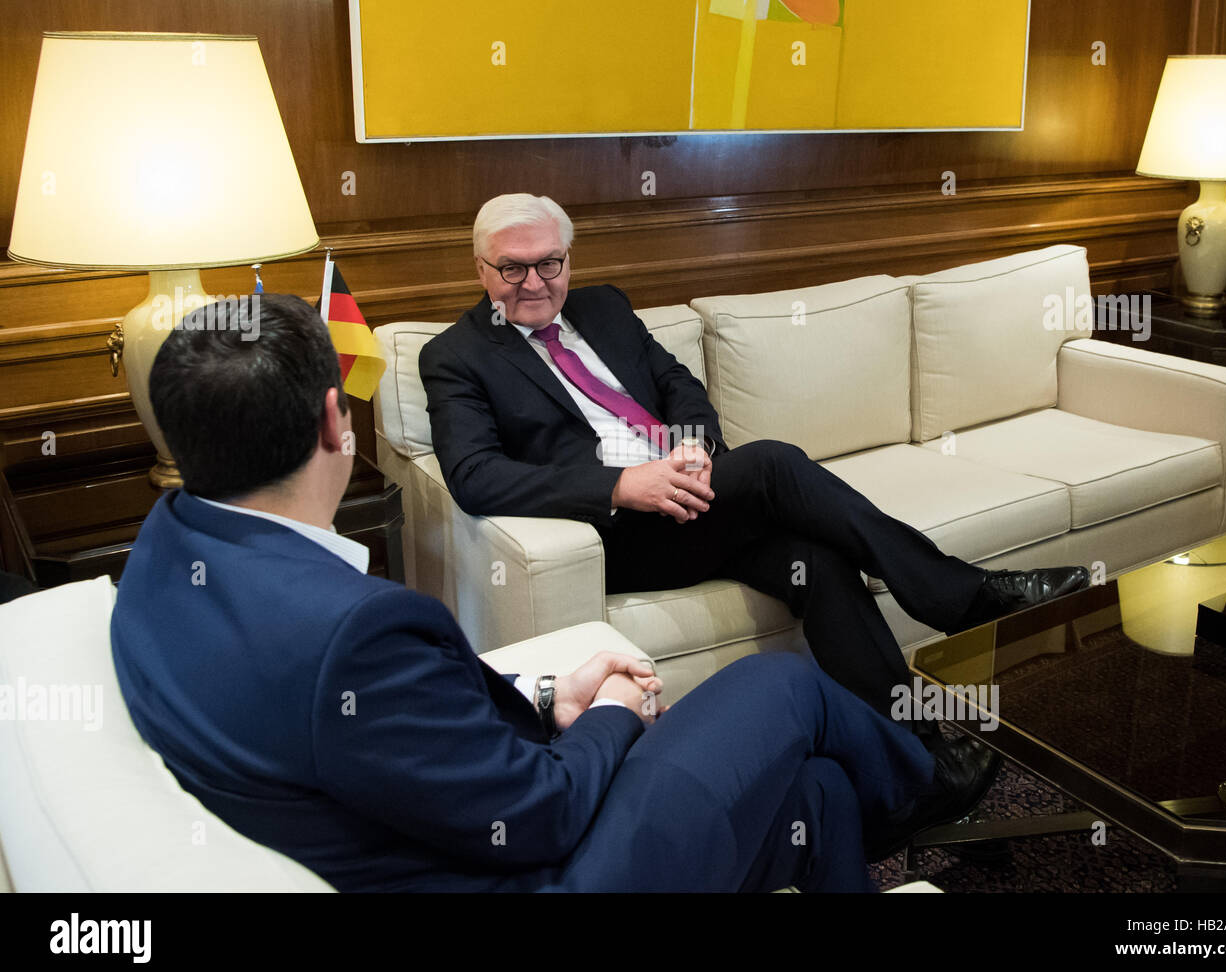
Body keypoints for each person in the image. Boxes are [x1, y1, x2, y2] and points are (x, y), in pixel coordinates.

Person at [109, 293, 997, 892]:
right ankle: (925, 785)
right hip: (552, 868)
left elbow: (397, 740)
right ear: (336, 423)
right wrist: (609, 709)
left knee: (817, 793)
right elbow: (535, 814)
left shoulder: (160, 556)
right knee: (787, 687)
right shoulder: (355, 631)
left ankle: (891, 791)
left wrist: (544, 697)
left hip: (446, 824)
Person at [419, 193, 1090, 755]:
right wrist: (624, 486)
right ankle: (963, 595)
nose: (534, 283)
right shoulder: (456, 356)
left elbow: (676, 383)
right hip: (619, 533)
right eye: (513, 269)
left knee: (819, 562)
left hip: (696, 501)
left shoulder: (604, 308)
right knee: (771, 463)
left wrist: (694, 449)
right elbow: (476, 475)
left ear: (570, 258)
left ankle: (919, 754)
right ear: (481, 268)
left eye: (549, 263)